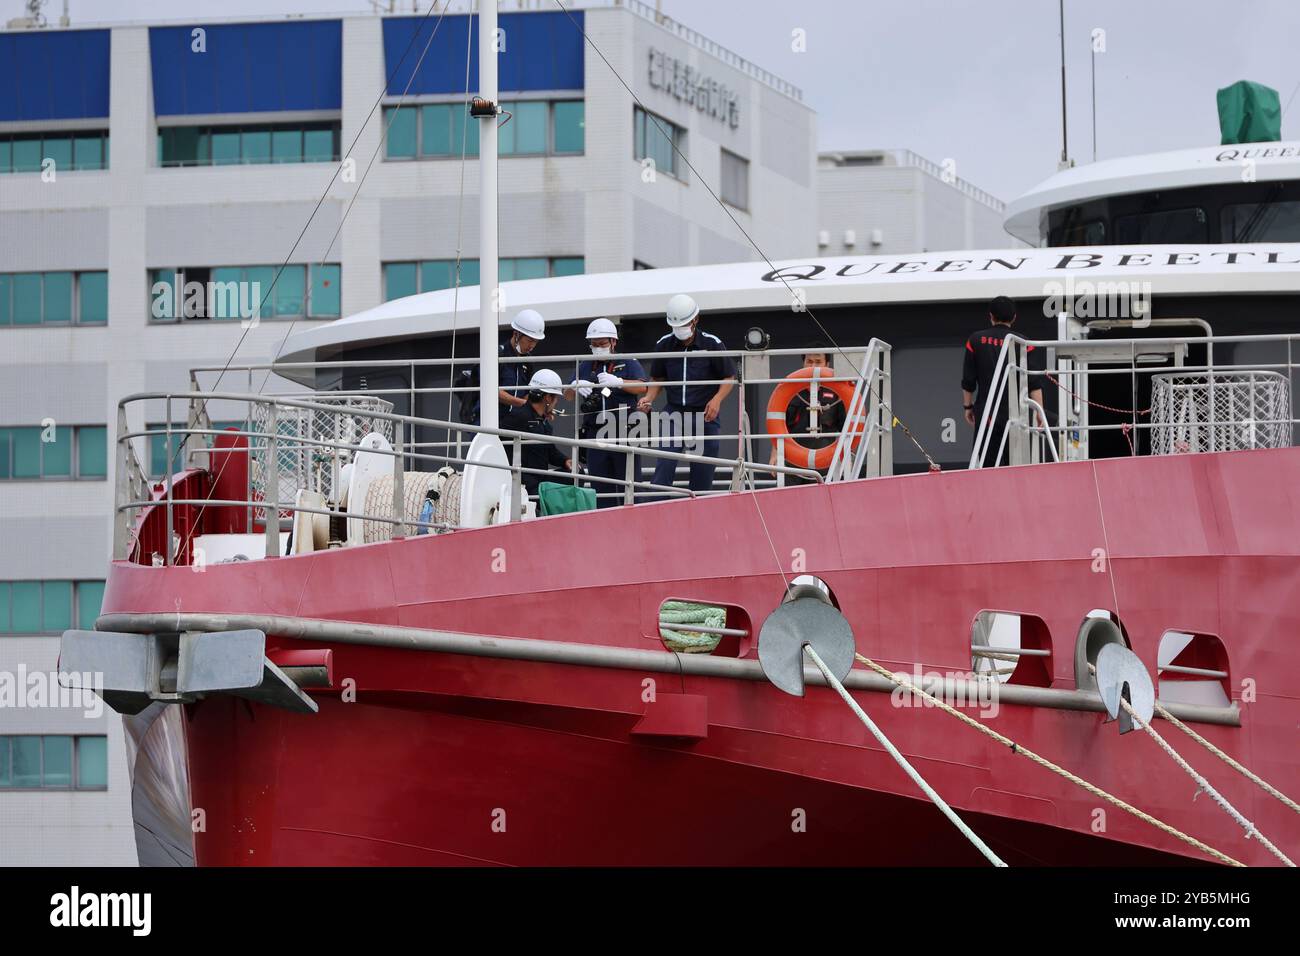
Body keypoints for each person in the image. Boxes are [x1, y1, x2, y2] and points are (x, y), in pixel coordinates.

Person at [637, 294, 737, 495]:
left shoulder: (712, 344)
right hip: (674, 413)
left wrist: (717, 400)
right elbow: (657, 379)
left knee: (703, 471)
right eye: (676, 326)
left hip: (704, 414)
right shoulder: (664, 345)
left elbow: (729, 377)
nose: (680, 330)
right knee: (665, 462)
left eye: (684, 324)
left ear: (695, 319)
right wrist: (648, 398)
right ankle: (656, 508)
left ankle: (699, 513)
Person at [961, 296, 1046, 468]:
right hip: (1016, 415)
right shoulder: (1023, 343)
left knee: (987, 466)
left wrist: (968, 407)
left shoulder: (975, 340)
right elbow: (1034, 382)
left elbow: (968, 380)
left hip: (987, 413)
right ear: (1014, 317)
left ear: (991, 316)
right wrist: (1039, 411)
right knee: (1016, 466)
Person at [577, 318, 648, 507]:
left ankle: (636, 524)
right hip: (595, 432)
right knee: (600, 487)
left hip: (624, 430)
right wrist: (575, 385)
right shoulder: (584, 365)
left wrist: (619, 382)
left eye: (602, 344)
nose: (598, 348)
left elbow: (642, 387)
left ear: (613, 342)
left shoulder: (628, 362)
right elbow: (566, 396)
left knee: (630, 484)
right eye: (594, 344)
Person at [768, 343, 847, 485]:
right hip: (792, 460)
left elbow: (847, 428)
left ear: (827, 364)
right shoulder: (790, 392)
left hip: (826, 461)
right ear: (803, 363)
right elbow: (778, 425)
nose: (813, 366)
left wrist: (848, 457)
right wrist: (774, 454)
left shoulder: (837, 394)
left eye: (818, 362)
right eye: (809, 362)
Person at [458, 308, 548, 425]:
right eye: (530, 340)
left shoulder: (528, 362)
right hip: (487, 423)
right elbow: (491, 390)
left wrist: (541, 409)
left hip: (512, 424)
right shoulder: (495, 355)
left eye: (536, 341)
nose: (532, 346)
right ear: (516, 334)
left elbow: (526, 394)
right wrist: (523, 404)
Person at [500, 369, 573, 496]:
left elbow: (549, 451)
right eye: (555, 398)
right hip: (526, 485)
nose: (556, 402)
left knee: (576, 474)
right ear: (548, 398)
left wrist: (565, 461)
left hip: (539, 481)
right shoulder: (519, 417)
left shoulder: (539, 420)